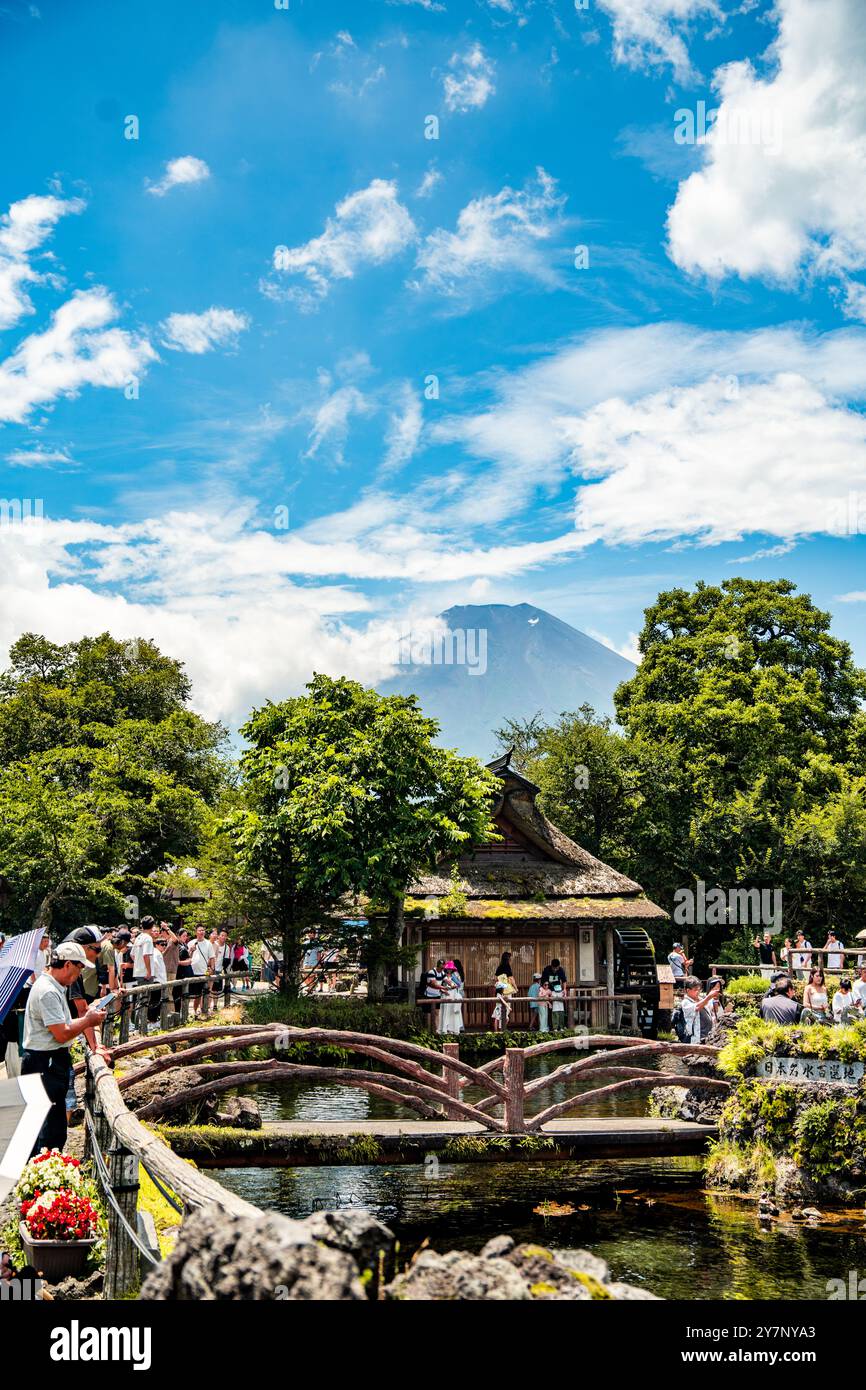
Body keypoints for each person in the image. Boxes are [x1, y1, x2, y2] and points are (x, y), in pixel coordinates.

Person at [21, 943, 110, 1157]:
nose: (79, 974)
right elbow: (61, 1033)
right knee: (48, 1129)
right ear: (68, 964)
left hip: (47, 1061)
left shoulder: (52, 987)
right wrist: (88, 1020)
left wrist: (87, 1017)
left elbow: (64, 1026)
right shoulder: (48, 991)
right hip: (45, 1062)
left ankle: (41, 1175)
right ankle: (42, 1179)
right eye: (79, 968)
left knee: (50, 1124)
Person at [680, 976, 720, 1042]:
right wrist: (709, 997)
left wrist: (715, 999)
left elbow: (712, 1010)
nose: (698, 992)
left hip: (707, 1035)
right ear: (688, 990)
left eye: (699, 990)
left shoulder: (700, 999)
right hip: (697, 1037)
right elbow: (697, 1007)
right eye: (695, 990)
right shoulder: (686, 1002)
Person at [189, 925, 215, 1014]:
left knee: (201, 994)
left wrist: (212, 969)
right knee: (190, 994)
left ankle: (200, 1011)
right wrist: (191, 950)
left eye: (203, 930)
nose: (202, 932)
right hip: (191, 971)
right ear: (196, 932)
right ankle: (190, 1011)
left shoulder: (208, 944)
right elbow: (187, 957)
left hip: (203, 972)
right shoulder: (191, 943)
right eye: (200, 930)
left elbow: (212, 958)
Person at [438, 962, 464, 1035]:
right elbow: (439, 985)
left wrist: (453, 984)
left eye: (451, 969)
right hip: (445, 995)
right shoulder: (443, 975)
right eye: (448, 968)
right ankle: (445, 1029)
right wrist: (443, 990)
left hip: (453, 994)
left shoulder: (454, 975)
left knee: (453, 1012)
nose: (449, 970)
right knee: (445, 1012)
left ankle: (453, 1028)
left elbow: (458, 984)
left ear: (452, 969)